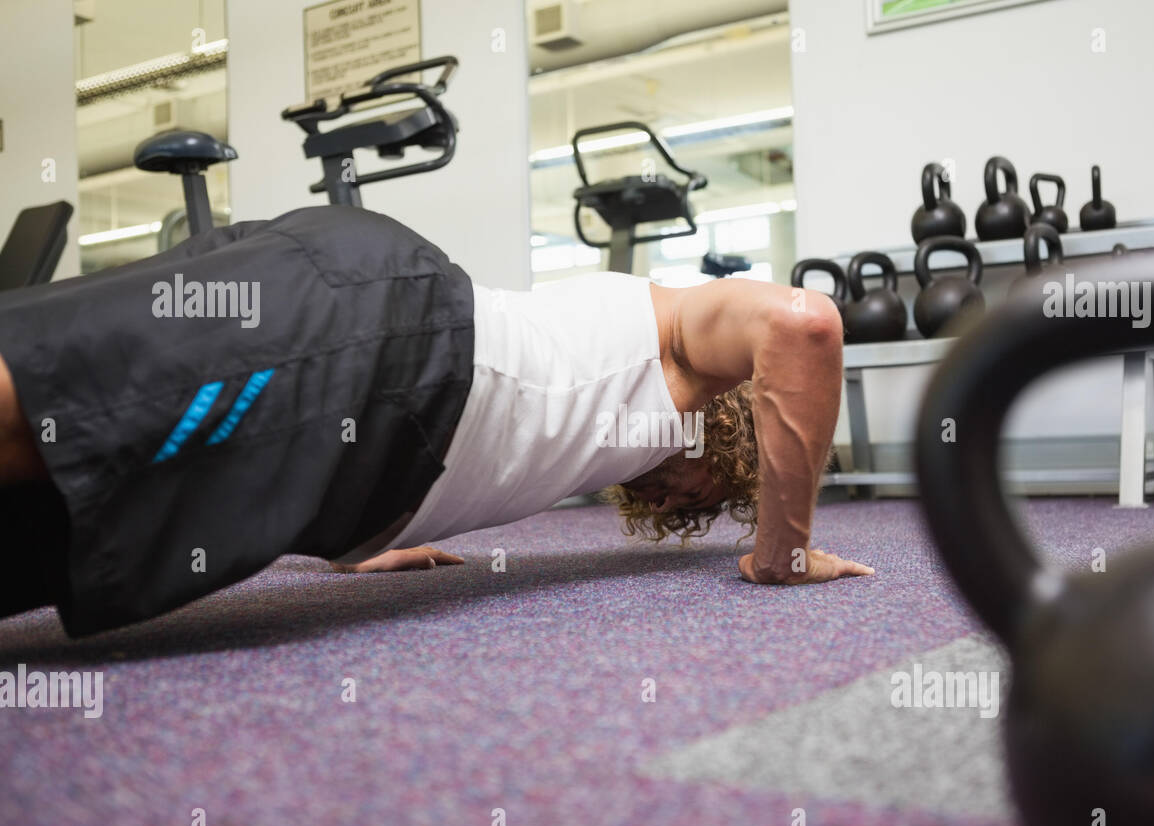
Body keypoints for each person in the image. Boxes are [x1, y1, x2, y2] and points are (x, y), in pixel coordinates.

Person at [0, 205, 872, 638]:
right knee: (49, 408)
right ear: (734, 428)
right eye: (725, 489)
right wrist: (784, 551)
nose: (695, 500)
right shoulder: (685, 344)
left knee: (54, 521)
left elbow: (492, 444)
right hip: (382, 328)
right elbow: (804, 324)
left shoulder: (597, 435)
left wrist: (372, 531)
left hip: (379, 415)